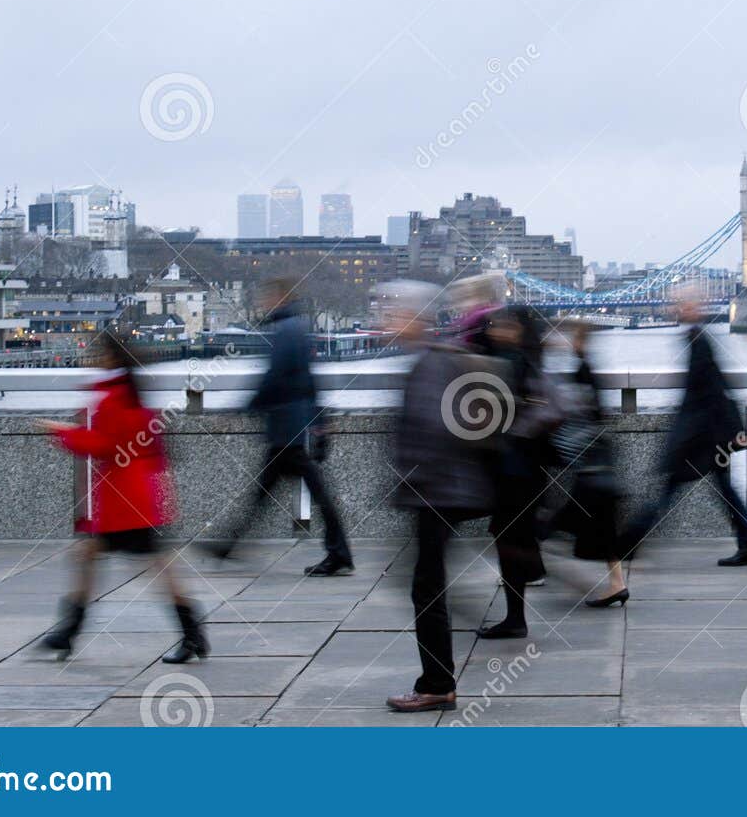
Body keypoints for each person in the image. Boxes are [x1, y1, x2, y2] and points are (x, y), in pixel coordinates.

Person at [38, 331, 207, 664]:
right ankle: (68, 632)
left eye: (98, 352)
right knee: (102, 556)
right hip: (138, 496)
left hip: (127, 502)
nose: (92, 357)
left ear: (111, 358)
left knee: (149, 566)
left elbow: (103, 445)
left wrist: (60, 433)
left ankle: (191, 634)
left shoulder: (113, 398)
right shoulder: (130, 393)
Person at [383, 282, 500, 713]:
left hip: (437, 493)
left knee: (426, 590)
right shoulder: (434, 359)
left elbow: (434, 431)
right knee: (427, 585)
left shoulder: (430, 365)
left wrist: (412, 482)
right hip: (442, 490)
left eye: (394, 313)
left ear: (418, 319)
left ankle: (437, 684)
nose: (387, 320)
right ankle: (438, 679)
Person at [211, 277, 352, 576]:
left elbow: (274, 379)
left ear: (280, 297)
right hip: (293, 426)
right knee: (270, 490)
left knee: (293, 491)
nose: (262, 302)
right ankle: (227, 544)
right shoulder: (297, 328)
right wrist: (320, 421)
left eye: (266, 296)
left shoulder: (286, 331)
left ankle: (338, 551)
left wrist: (242, 408)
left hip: (286, 429)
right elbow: (309, 381)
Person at [622, 289, 747, 565]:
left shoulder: (698, 340)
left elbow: (708, 393)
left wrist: (688, 437)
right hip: (707, 436)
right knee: (722, 491)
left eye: (685, 305)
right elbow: (716, 389)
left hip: (700, 438)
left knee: (668, 489)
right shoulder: (699, 338)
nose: (680, 309)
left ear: (696, 309)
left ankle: (629, 542)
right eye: (679, 305)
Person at [477, 306, 560, 639]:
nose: (494, 330)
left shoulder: (510, 363)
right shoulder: (531, 361)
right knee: (514, 537)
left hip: (513, 470)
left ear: (516, 330)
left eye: (501, 326)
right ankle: (517, 613)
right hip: (528, 469)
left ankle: (515, 618)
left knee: (509, 538)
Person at [544, 319, 628, 608]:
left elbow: (574, 412)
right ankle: (617, 583)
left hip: (587, 466)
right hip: (599, 463)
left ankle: (530, 569)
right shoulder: (589, 367)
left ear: (579, 341)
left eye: (572, 338)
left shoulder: (581, 370)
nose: (569, 343)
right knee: (603, 527)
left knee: (555, 525)